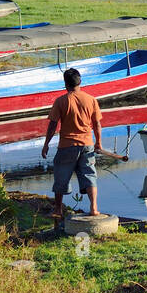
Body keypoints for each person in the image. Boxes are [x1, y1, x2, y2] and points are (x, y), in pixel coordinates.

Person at [42, 67, 106, 220]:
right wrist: (98, 143)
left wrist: (46, 144)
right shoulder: (91, 100)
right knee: (89, 175)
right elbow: (97, 124)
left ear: (65, 84)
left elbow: (53, 125)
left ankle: (58, 209)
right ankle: (94, 208)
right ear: (80, 82)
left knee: (61, 175)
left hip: (67, 145)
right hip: (87, 144)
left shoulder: (61, 101)